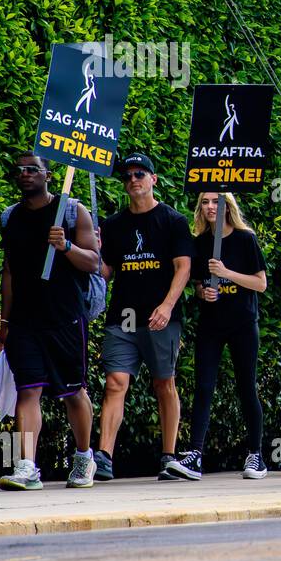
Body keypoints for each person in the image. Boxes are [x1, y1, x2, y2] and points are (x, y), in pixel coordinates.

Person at [0, 152, 100, 490]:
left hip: (65, 318)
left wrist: (66, 245)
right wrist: (5, 322)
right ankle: (27, 467)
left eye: (32, 169)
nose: (25, 174)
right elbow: (9, 271)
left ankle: (84, 457)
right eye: (20, 169)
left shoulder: (72, 211)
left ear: (48, 176)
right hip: (25, 321)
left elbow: (93, 262)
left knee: (73, 391)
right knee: (28, 391)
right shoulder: (10, 218)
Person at [95, 153, 193, 480]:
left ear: (153, 179)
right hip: (122, 317)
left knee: (164, 383)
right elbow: (106, 272)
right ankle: (104, 457)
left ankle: (168, 455)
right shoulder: (113, 225)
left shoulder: (173, 220)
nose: (133, 179)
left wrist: (166, 306)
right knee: (115, 383)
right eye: (127, 176)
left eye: (140, 174)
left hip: (159, 317)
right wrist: (91, 252)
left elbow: (184, 267)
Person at [166, 192, 268, 480]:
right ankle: (196, 454)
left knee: (247, 386)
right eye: (205, 203)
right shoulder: (199, 244)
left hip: (243, 323)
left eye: (216, 202)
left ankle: (256, 454)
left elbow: (260, 284)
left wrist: (227, 273)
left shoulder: (245, 239)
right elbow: (198, 283)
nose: (211, 207)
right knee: (203, 387)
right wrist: (203, 292)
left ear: (227, 206)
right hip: (212, 324)